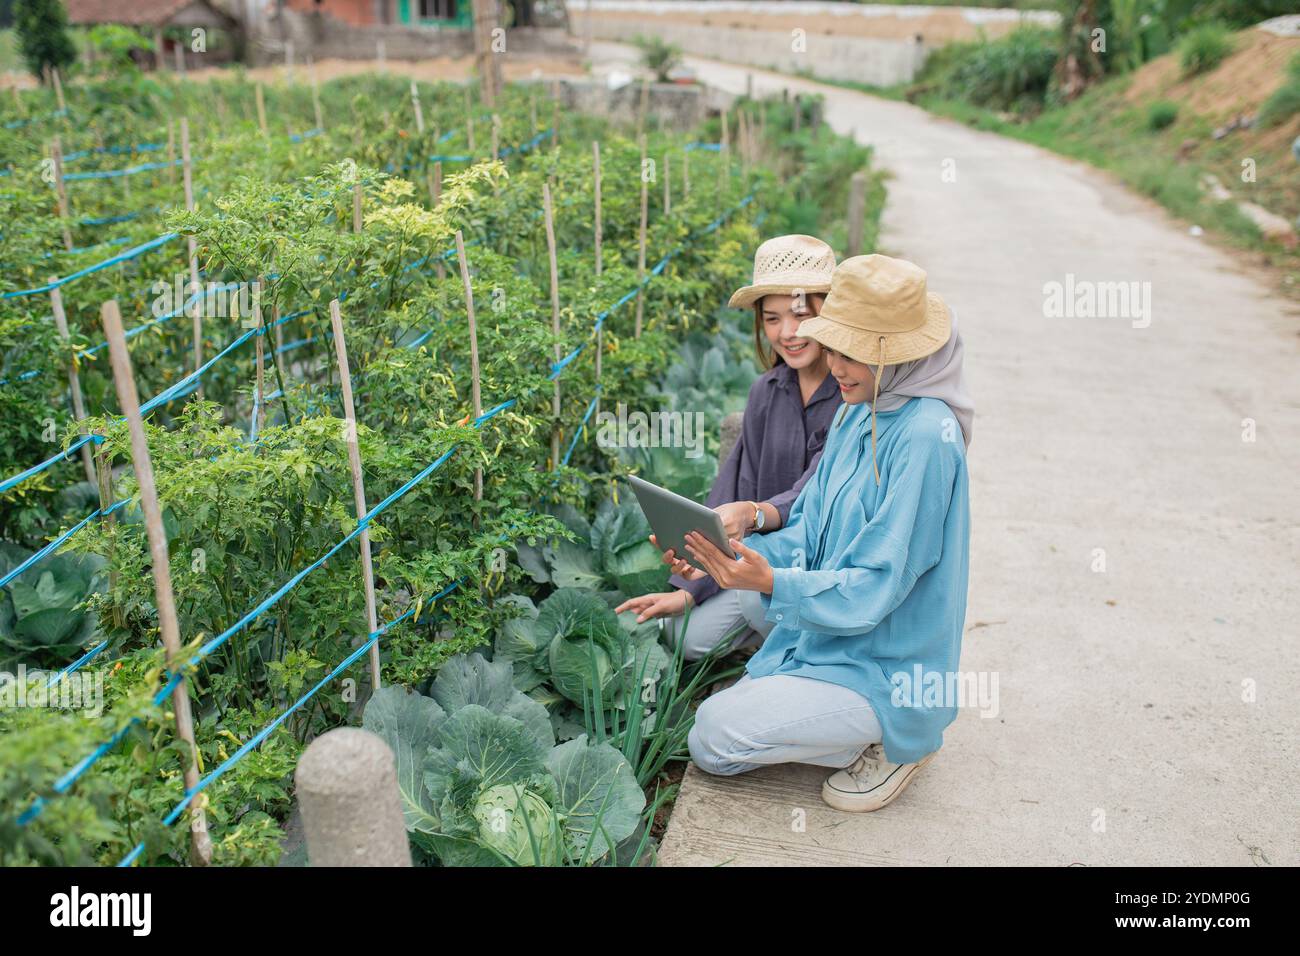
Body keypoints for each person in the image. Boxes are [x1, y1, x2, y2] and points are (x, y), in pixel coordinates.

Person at [659, 254, 974, 813]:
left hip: (884, 658)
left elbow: (878, 586)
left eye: (853, 353)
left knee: (714, 737)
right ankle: (811, 704)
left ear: (900, 354)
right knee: (745, 605)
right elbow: (806, 528)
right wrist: (728, 555)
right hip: (832, 632)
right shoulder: (862, 409)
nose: (836, 366)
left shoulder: (927, 435)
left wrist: (775, 582)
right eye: (833, 348)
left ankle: (898, 739)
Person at [615, 235, 843, 660]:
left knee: (760, 604)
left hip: (820, 570)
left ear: (828, 314)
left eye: (800, 316)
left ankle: (797, 651)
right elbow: (732, 488)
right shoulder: (766, 392)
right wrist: (693, 579)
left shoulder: (851, 391)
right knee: (686, 636)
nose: (787, 333)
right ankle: (767, 633)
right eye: (772, 319)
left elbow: (815, 490)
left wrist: (754, 514)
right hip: (760, 559)